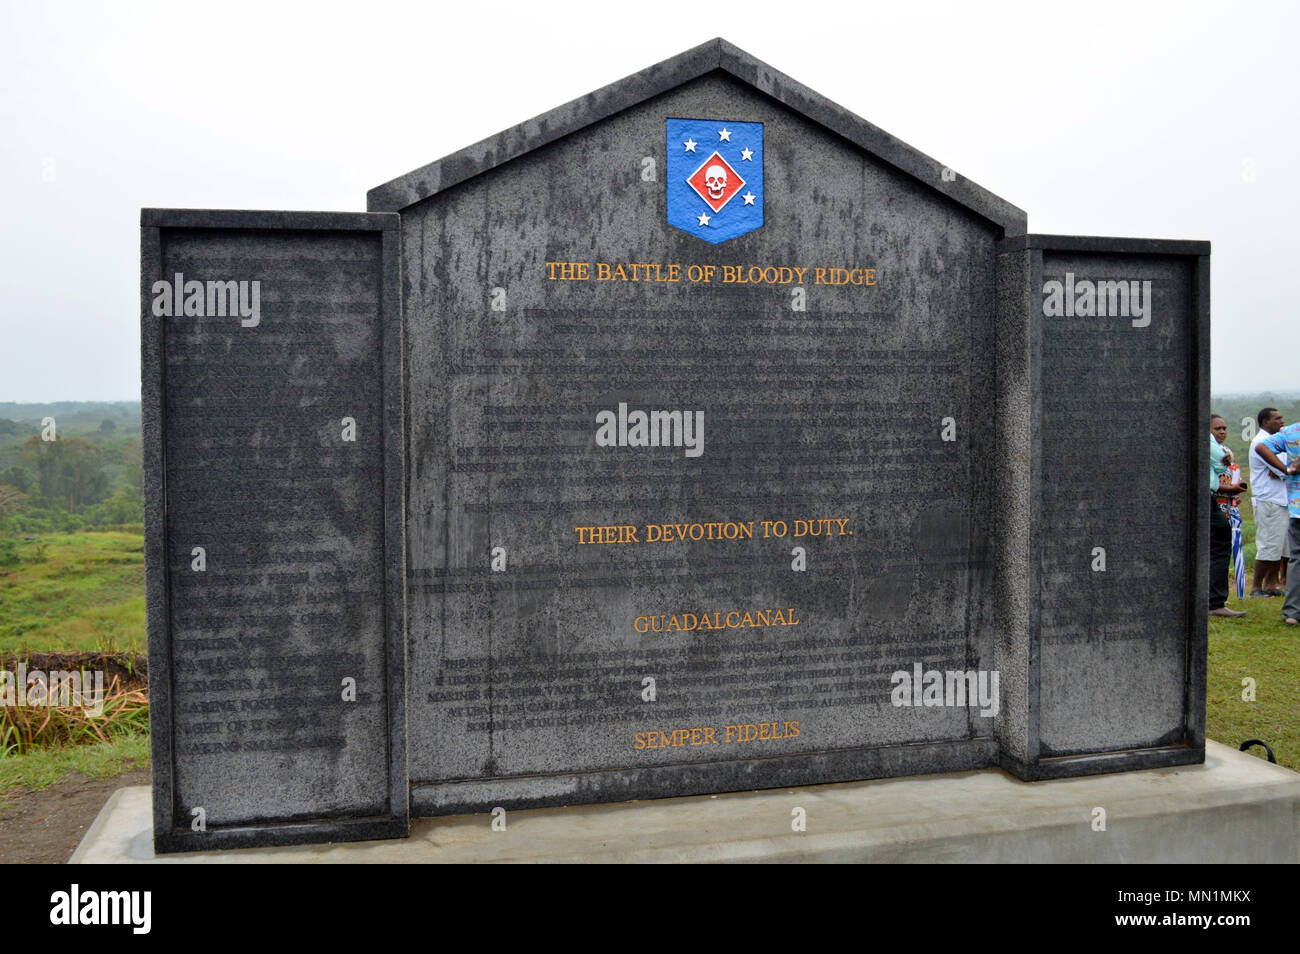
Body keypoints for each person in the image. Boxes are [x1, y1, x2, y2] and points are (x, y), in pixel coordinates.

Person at [1251, 420, 1300, 624]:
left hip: (1297, 507)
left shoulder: (1292, 432)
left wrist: (1287, 469)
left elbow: (1261, 447)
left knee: (1296, 560)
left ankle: (1293, 613)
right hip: (1273, 500)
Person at [1209, 415, 1248, 617]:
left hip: (1220, 500)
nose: (1222, 432)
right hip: (1212, 499)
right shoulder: (1214, 447)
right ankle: (1215, 602)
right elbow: (1221, 466)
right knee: (1219, 545)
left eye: (1225, 428)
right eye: (1217, 428)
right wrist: (1231, 488)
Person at [1249, 408, 1290, 596]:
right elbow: (1285, 471)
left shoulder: (1276, 443)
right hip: (1269, 500)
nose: (1282, 421)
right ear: (1265, 422)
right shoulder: (1261, 442)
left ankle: (1271, 585)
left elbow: (1284, 466)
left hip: (1279, 498)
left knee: (1279, 545)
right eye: (1277, 418)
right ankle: (1256, 587)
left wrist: (1284, 468)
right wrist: (1285, 469)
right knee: (1268, 544)